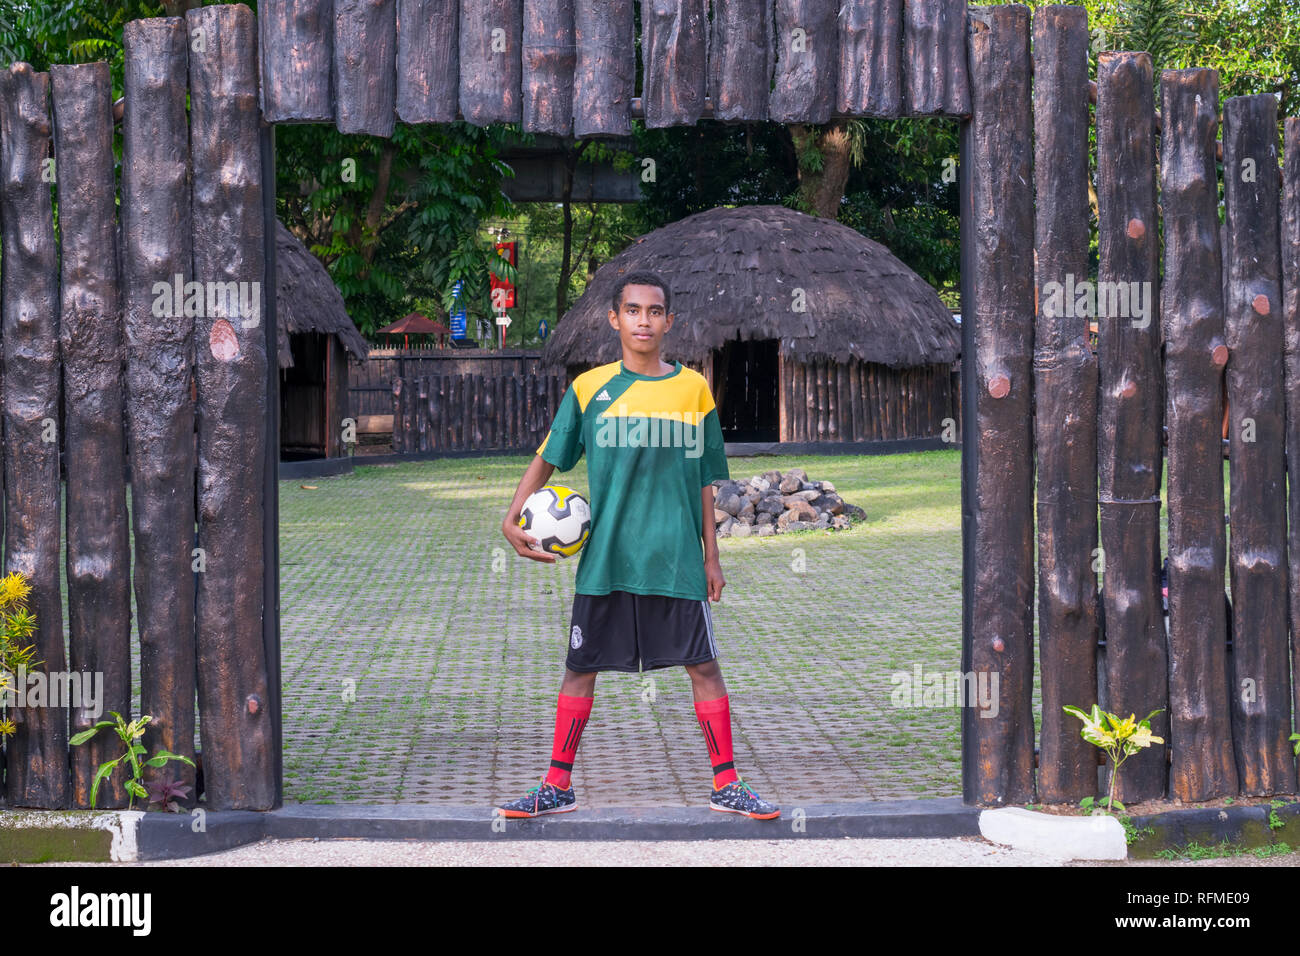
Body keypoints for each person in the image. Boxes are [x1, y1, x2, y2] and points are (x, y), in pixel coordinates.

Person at [496, 270, 780, 820]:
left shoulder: (693, 389)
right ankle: (556, 786)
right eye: (632, 310)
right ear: (614, 319)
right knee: (579, 668)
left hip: (674, 558)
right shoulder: (589, 389)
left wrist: (712, 555)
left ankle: (726, 784)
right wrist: (511, 516)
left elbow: (704, 480)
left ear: (669, 321)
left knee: (704, 668)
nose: (643, 321)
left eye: (654, 311)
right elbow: (549, 455)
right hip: (606, 558)